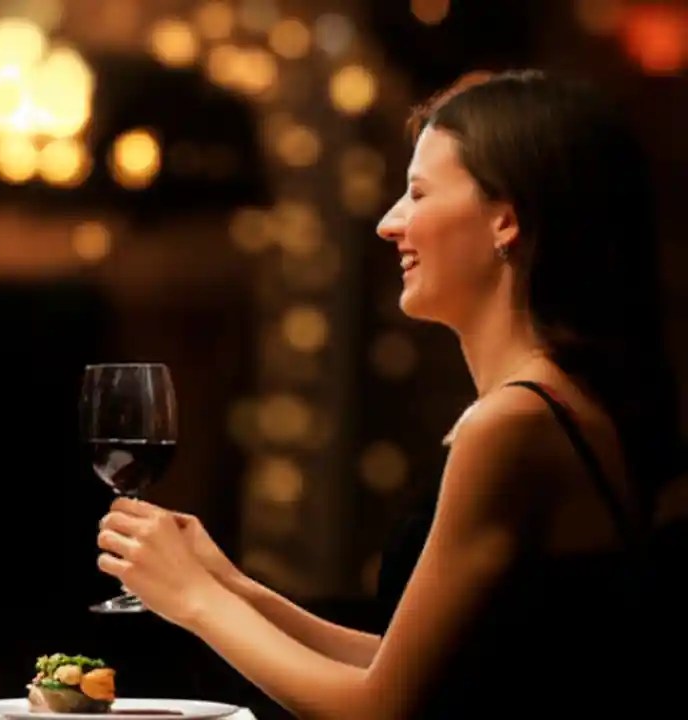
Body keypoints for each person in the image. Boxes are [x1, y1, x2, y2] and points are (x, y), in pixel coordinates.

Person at [95, 69, 687, 717]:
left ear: (505, 220)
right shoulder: (557, 403)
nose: (387, 223)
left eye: (417, 193)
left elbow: (383, 708)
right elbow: (411, 663)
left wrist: (194, 603)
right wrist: (231, 587)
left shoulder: (514, 423)